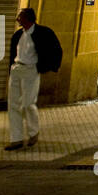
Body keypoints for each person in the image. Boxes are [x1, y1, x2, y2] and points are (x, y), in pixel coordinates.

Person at [4, 8, 61, 151]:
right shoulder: (18, 35)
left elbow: (56, 50)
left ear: (28, 19)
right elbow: (13, 53)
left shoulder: (43, 33)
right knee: (13, 104)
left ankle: (33, 132)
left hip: (31, 70)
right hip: (17, 69)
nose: (17, 19)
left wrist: (48, 66)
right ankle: (16, 138)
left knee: (28, 103)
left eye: (20, 17)